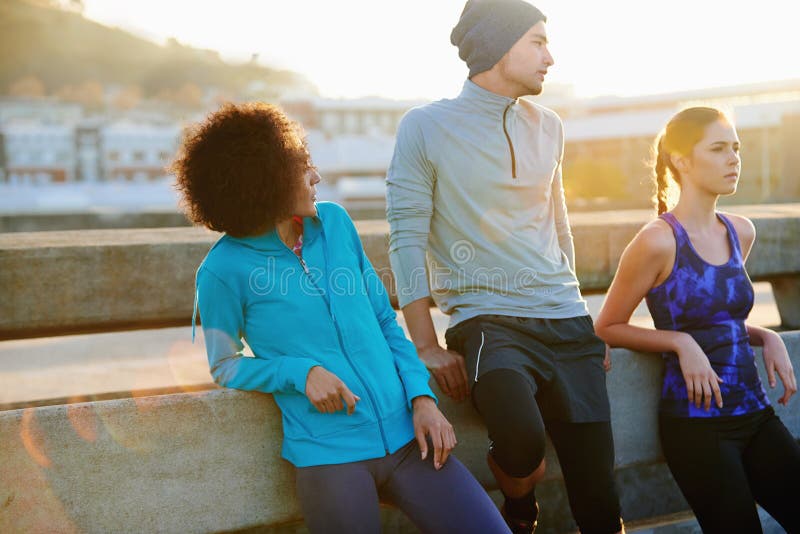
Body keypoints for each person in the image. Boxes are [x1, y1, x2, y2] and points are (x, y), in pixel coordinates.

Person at [175, 102, 510, 533]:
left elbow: (384, 322)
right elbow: (224, 364)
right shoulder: (222, 271)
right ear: (264, 180)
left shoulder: (334, 223)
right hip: (329, 456)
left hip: (410, 440)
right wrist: (301, 372)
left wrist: (422, 398)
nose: (316, 177)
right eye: (302, 167)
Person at [386, 1, 624, 532]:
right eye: (538, 42)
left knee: (600, 499)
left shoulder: (550, 126)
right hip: (489, 321)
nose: (550, 58)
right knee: (520, 443)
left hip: (565, 321)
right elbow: (406, 239)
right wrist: (425, 343)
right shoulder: (425, 126)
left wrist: (580, 312)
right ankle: (518, 502)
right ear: (497, 46)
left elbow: (558, 228)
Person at [595, 106, 800, 533]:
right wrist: (679, 343)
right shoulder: (657, 241)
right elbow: (608, 325)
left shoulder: (739, 230)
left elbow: (718, 319)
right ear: (681, 161)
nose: (734, 159)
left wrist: (766, 336)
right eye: (719, 149)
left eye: (737, 149)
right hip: (697, 426)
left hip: (756, 413)